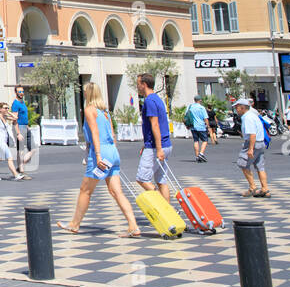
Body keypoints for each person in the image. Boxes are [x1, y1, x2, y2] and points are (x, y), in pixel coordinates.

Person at [56, 82, 141, 237]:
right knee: (116, 192)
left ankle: (75, 224)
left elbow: (94, 132)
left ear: (88, 94)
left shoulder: (90, 110)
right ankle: (133, 225)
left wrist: (97, 155)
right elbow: (112, 134)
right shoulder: (105, 112)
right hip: (112, 151)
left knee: (85, 190)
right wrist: (110, 152)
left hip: (101, 152)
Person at [136, 73, 171, 203]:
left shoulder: (149, 101)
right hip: (164, 144)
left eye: (138, 84)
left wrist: (158, 148)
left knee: (142, 179)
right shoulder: (157, 99)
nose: (137, 87)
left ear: (144, 85)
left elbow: (155, 124)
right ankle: (170, 212)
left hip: (156, 146)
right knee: (161, 180)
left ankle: (162, 207)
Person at [234, 97, 269, 198]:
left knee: (243, 164)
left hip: (252, 143)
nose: (236, 109)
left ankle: (252, 188)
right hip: (261, 142)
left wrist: (250, 149)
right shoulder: (253, 115)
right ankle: (265, 189)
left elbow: (252, 134)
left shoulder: (247, 117)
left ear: (242, 108)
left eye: (237, 107)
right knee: (260, 166)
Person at [0, 102, 28, 181]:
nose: (7, 109)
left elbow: (15, 118)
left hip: (4, 140)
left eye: (7, 108)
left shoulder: (5, 117)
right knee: (9, 157)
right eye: (5, 108)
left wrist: (9, 112)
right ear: (0, 109)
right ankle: (16, 175)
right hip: (0, 140)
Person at [10, 88, 35, 172]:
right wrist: (18, 133)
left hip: (25, 127)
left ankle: (21, 165)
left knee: (33, 149)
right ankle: (21, 169)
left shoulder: (22, 102)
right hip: (19, 127)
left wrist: (27, 126)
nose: (21, 93)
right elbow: (14, 119)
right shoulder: (15, 104)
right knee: (20, 150)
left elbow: (24, 116)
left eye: (23, 91)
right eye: (20, 91)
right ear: (16, 92)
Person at [186, 97, 214, 162]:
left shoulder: (190, 107)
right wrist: (208, 126)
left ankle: (197, 156)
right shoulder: (201, 108)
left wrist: (187, 125)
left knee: (196, 141)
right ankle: (201, 153)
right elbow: (205, 118)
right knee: (205, 140)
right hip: (201, 126)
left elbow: (186, 116)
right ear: (200, 100)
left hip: (193, 126)